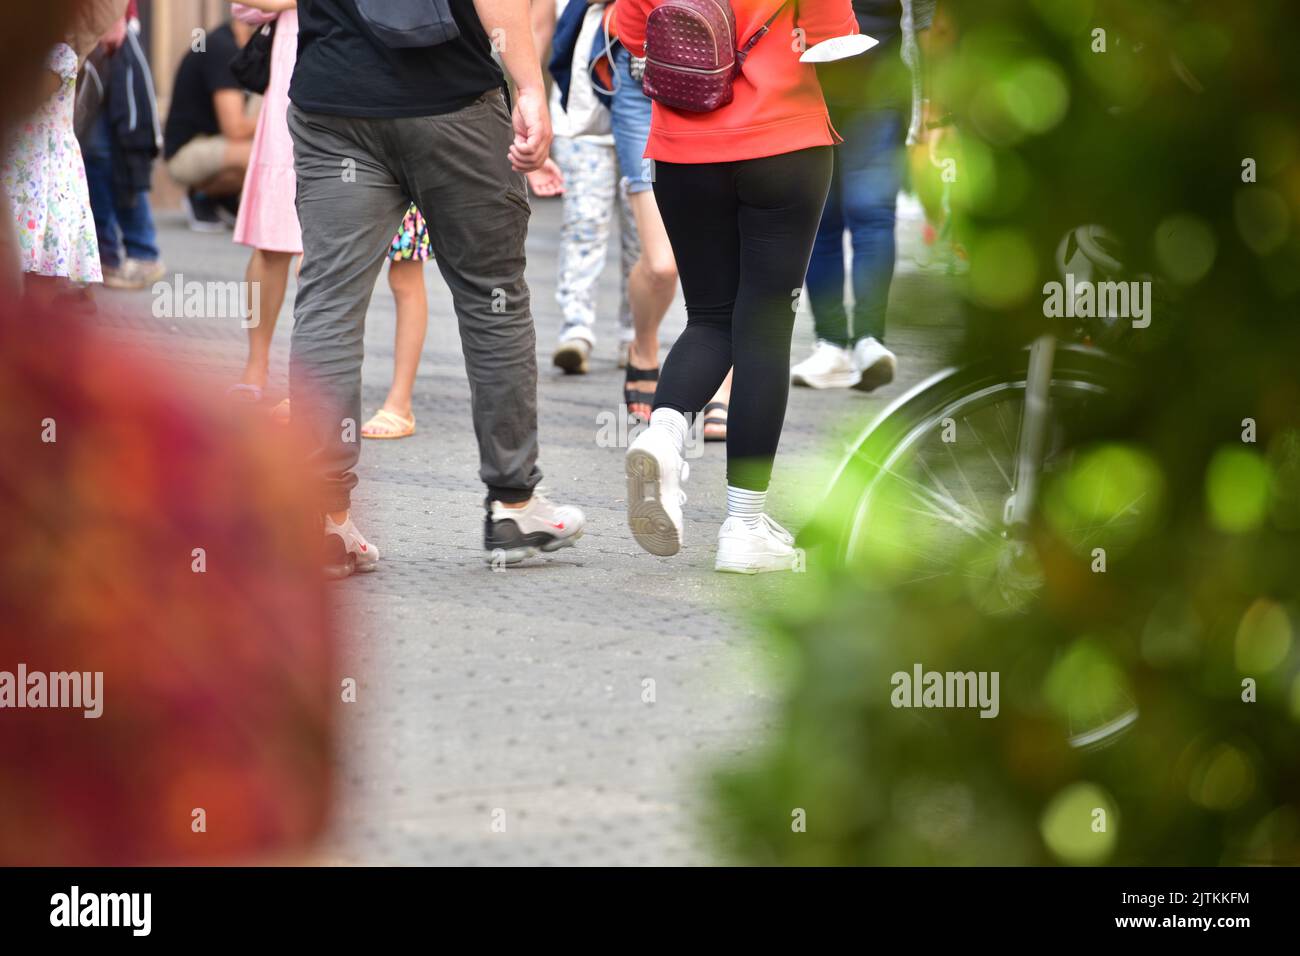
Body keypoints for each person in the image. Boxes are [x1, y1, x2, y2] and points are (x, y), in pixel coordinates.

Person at [287, 0, 585, 575]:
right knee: (491, 296)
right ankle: (514, 504)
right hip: (451, 102)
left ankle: (322, 522)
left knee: (328, 305)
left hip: (333, 100)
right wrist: (529, 86)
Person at [619, 0, 858, 573]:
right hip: (785, 142)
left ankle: (665, 432)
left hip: (683, 149)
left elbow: (633, 35)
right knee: (766, 328)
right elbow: (834, 39)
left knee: (708, 318)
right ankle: (744, 525)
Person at [226, 0, 432, 443]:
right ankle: (295, 385)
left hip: (404, 110)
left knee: (404, 267)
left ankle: (399, 401)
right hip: (311, 110)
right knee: (289, 251)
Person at [791, 0, 936, 391]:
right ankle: (832, 345)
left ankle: (870, 340)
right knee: (821, 218)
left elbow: (925, 15)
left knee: (871, 213)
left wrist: (934, 108)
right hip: (803, 88)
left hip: (878, 88)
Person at [530, 0, 639, 374]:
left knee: (642, 235)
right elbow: (539, 28)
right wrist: (527, 97)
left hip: (646, 116)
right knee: (583, 225)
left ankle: (635, 333)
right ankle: (576, 330)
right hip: (576, 118)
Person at [81, 1, 166, 290]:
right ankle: (106, 255)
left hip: (104, 34)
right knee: (94, 152)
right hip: (87, 32)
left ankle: (139, 253)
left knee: (110, 149)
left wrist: (116, 15)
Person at [163, 16, 256, 231]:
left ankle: (223, 200)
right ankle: (201, 196)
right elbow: (235, 128)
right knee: (265, 157)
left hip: (217, 141)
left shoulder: (249, 48)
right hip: (186, 150)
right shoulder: (221, 48)